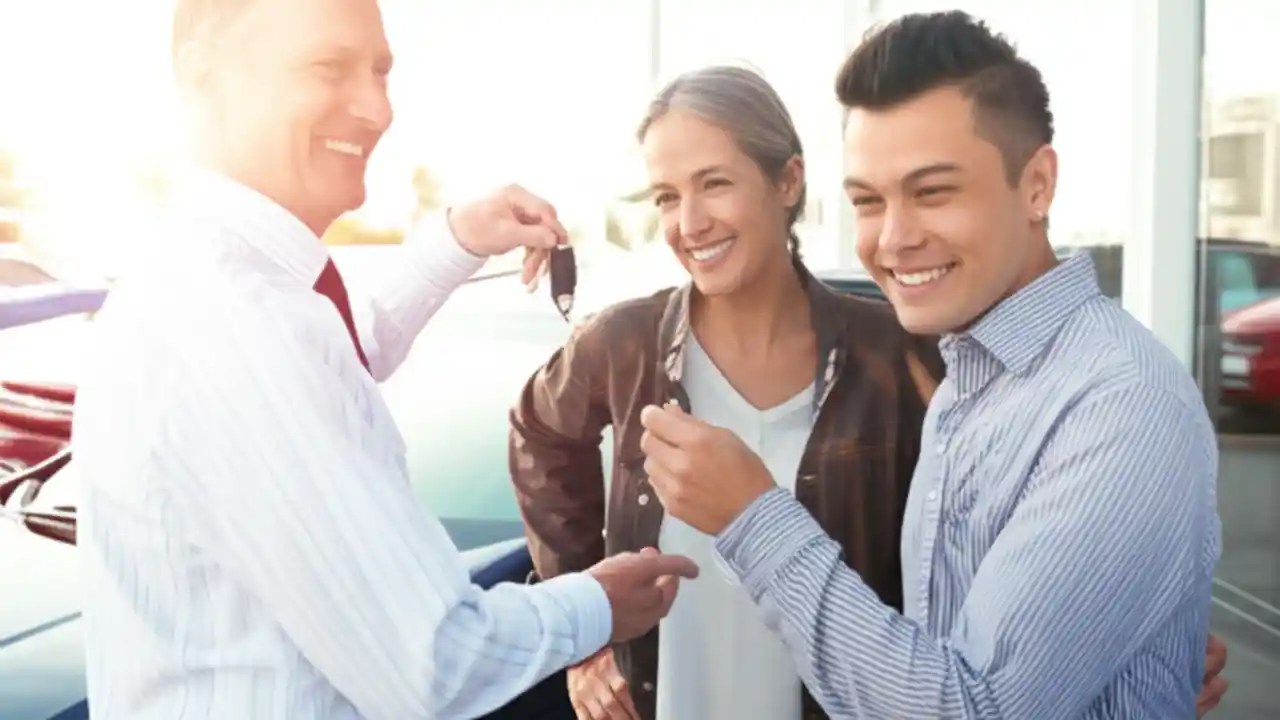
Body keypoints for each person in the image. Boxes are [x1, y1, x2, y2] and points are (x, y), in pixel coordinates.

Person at [73, 1, 697, 718]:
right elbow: (434, 664)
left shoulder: (212, 283)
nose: (376, 108)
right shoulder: (240, 324)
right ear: (206, 78)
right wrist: (600, 603)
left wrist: (457, 240)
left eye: (380, 71)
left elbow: (339, 359)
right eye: (327, 66)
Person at [639, 11, 1224, 719]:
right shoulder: (966, 379)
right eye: (867, 201)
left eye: (933, 192)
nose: (893, 238)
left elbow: (968, 708)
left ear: (1037, 184)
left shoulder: (1120, 406)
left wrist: (752, 516)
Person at [508, 65, 942, 720]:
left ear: (787, 180)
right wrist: (584, 629)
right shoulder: (624, 344)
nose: (689, 222)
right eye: (665, 196)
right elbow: (537, 432)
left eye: (714, 184)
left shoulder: (896, 352)